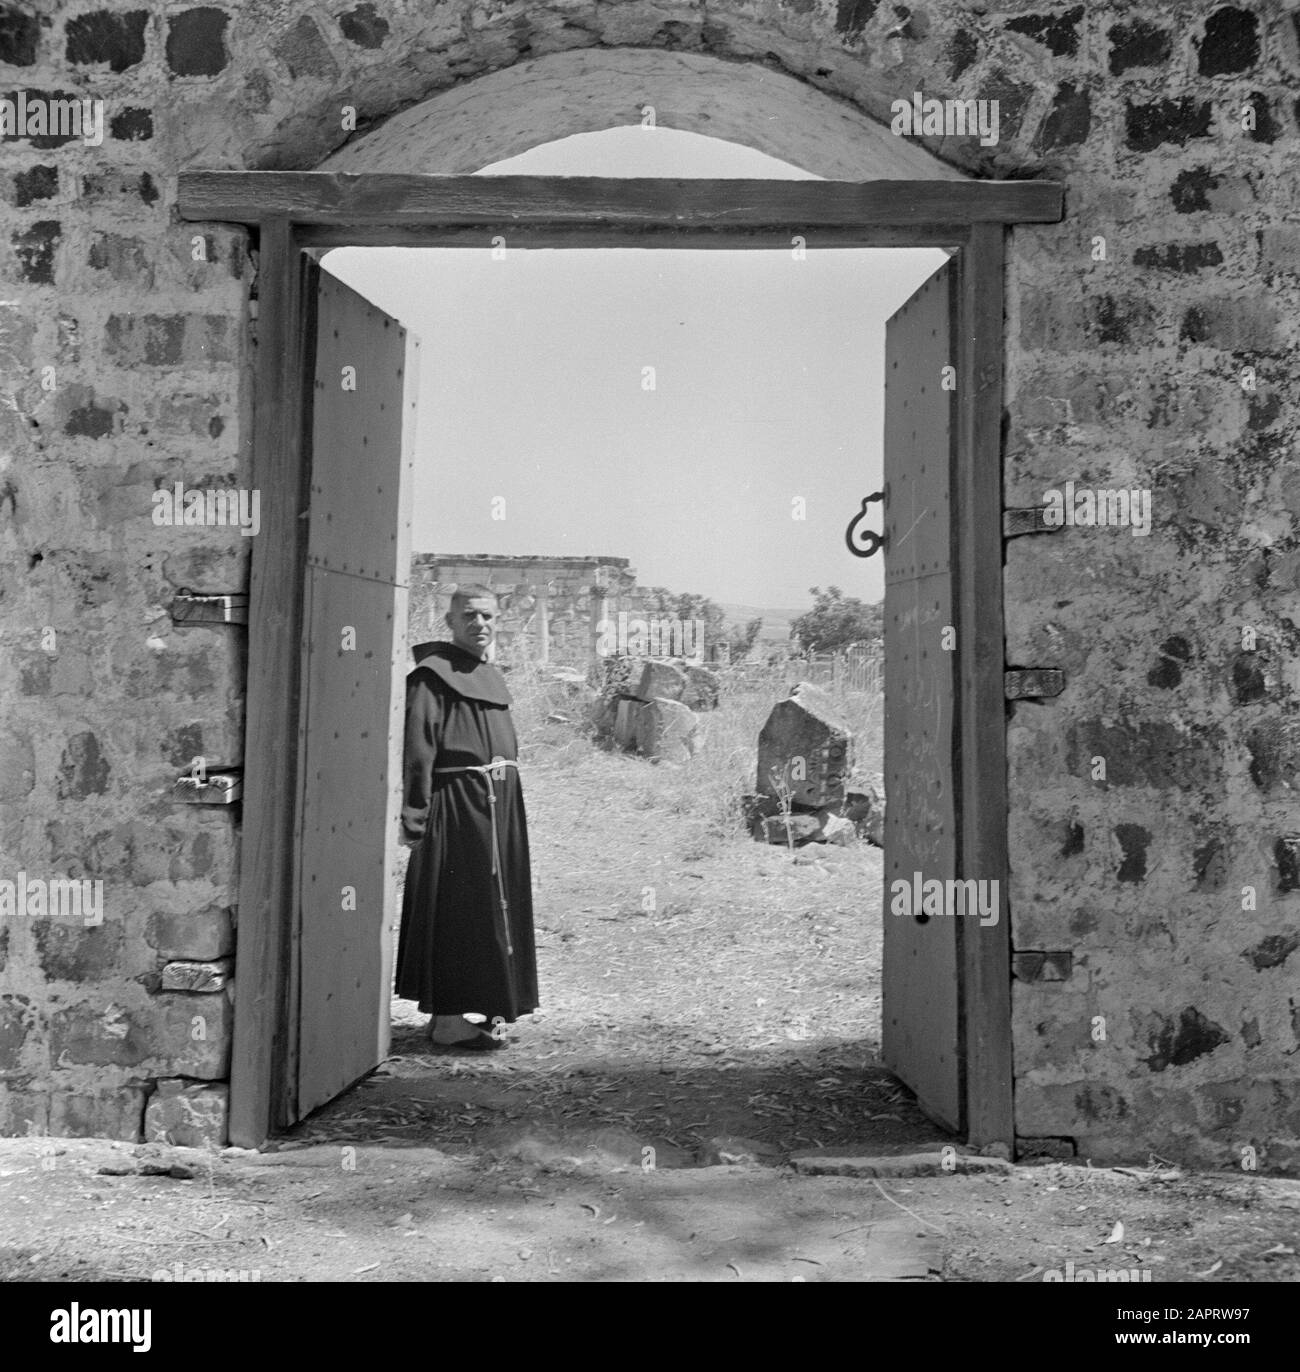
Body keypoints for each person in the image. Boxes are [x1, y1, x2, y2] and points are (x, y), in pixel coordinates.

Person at [395, 585, 539, 1051]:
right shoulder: (432, 677)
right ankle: (449, 1019)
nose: (480, 624)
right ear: (450, 622)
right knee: (457, 907)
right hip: (458, 807)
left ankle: (482, 1005)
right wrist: (415, 817)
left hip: (498, 811)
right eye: (470, 616)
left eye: (488, 617)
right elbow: (419, 752)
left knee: (489, 908)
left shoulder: (490, 676)